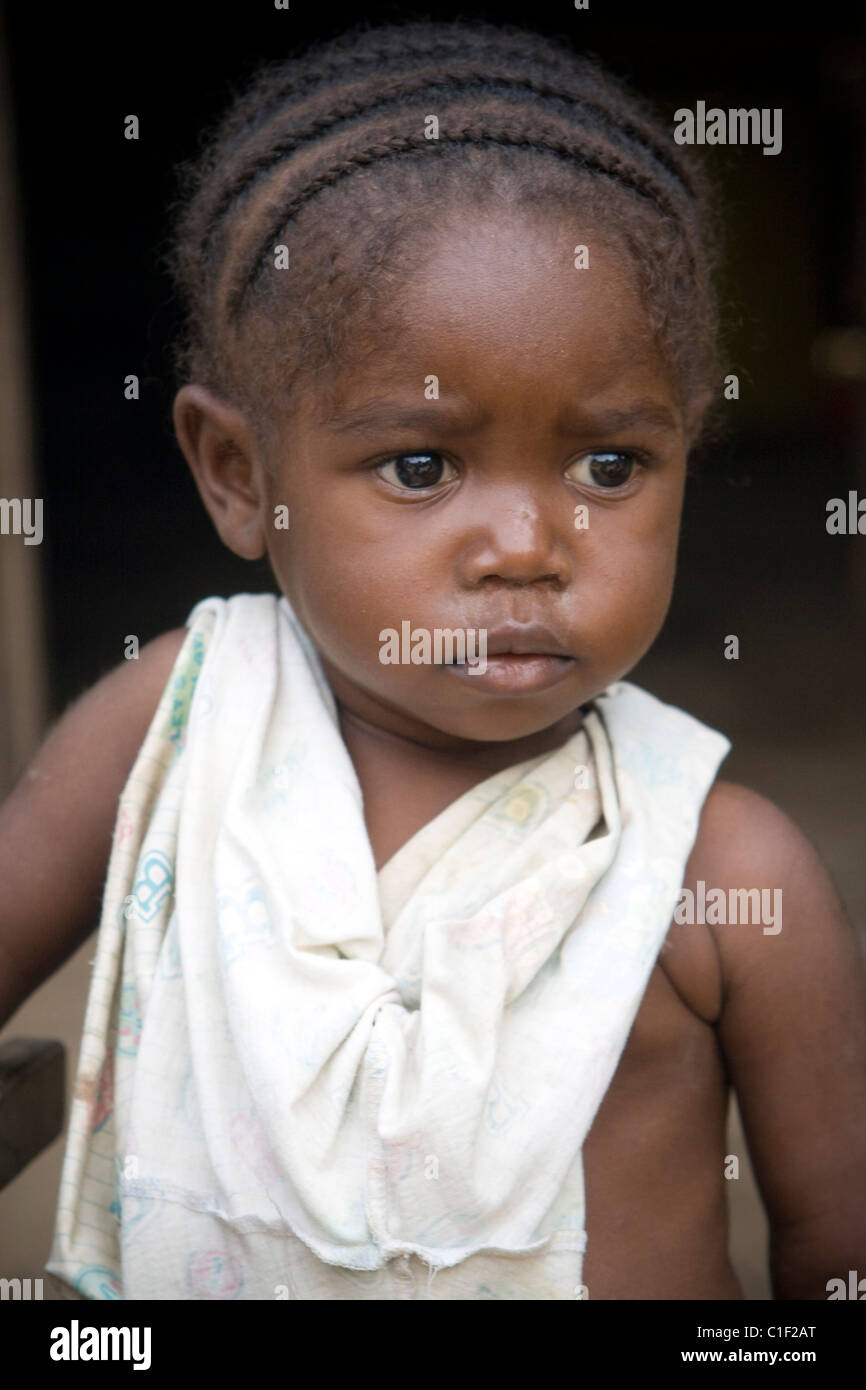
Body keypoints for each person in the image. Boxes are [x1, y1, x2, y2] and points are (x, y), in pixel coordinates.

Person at [1, 17, 864, 1301]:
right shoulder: (177, 723)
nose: (526, 545)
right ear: (240, 477)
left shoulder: (714, 872)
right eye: (420, 465)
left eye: (608, 465)